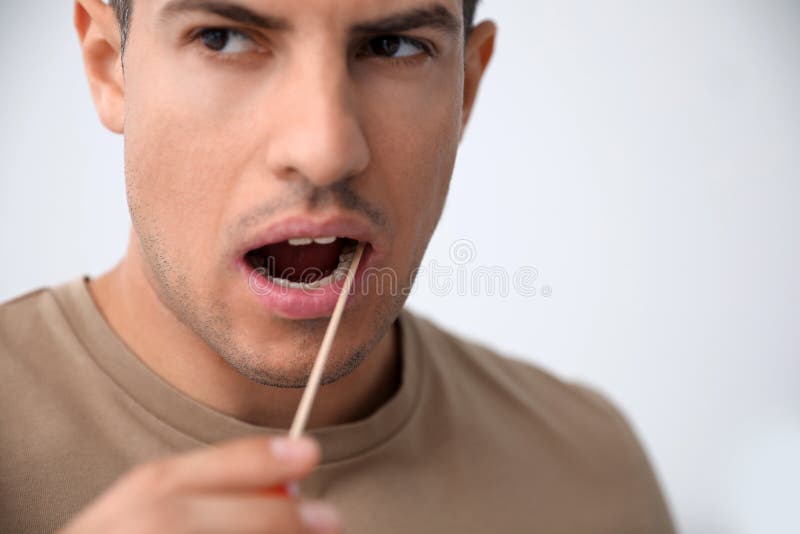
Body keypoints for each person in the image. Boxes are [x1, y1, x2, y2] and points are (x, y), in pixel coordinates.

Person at [0, 0, 676, 532]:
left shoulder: (593, 475)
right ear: (107, 64)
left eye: (394, 46)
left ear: (466, 88)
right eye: (225, 39)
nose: (325, 150)